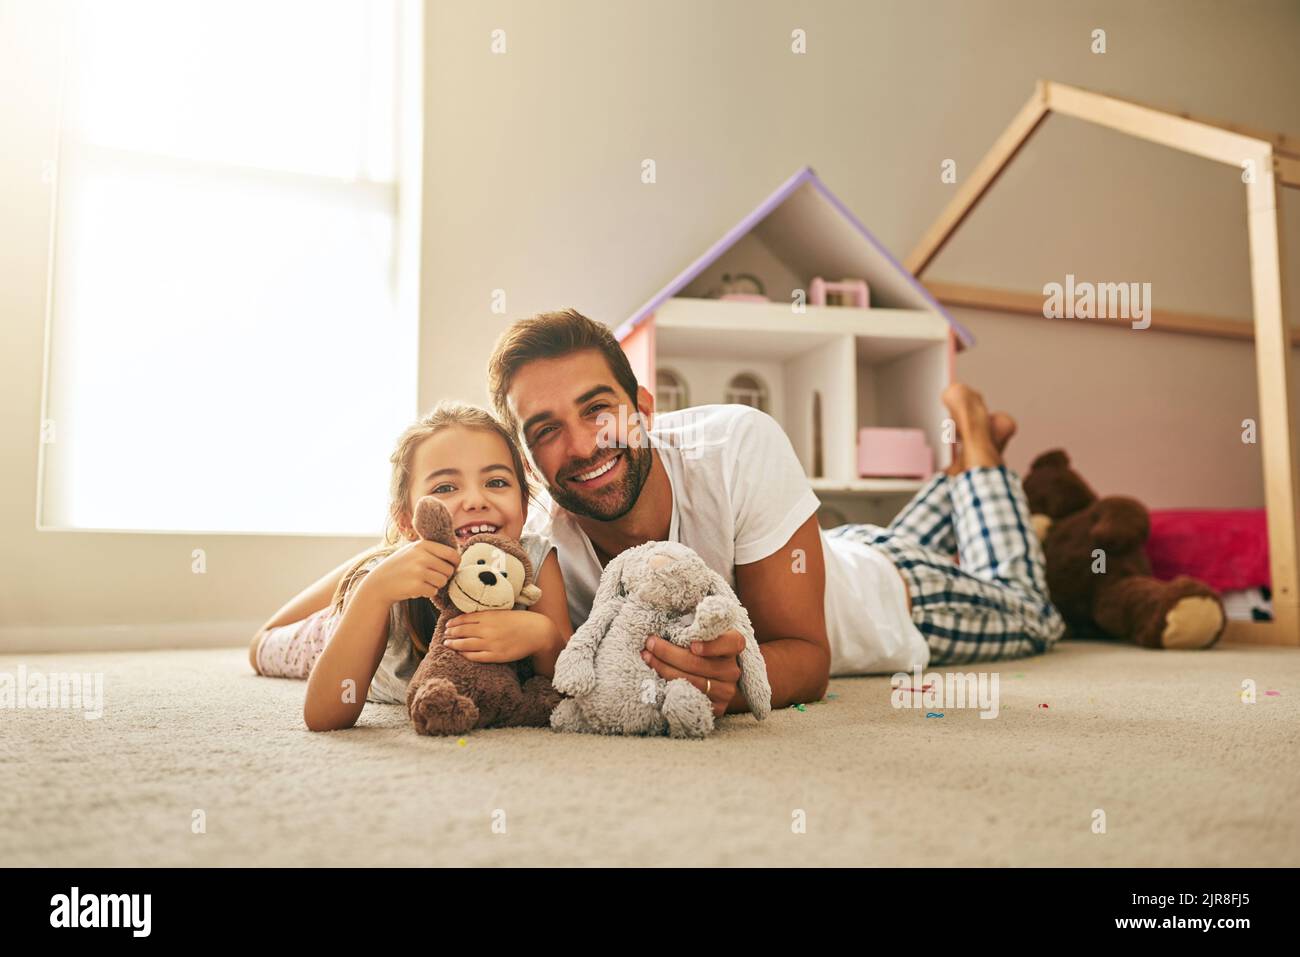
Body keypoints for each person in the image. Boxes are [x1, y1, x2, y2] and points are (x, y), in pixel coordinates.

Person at [485, 309, 1065, 717]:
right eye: (547, 430)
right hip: (822, 549)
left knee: (1035, 613)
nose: (585, 446)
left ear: (642, 408)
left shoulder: (736, 443)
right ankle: (961, 476)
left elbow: (809, 656)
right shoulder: (538, 550)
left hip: (893, 594)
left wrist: (730, 689)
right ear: (529, 462)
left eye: (597, 410)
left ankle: (980, 451)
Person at [249, 401, 574, 732]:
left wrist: (545, 637)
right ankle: (374, 561)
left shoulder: (533, 557)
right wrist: (372, 592)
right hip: (337, 630)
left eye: (496, 482)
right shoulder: (387, 590)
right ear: (406, 519)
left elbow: (568, 683)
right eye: (445, 487)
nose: (476, 500)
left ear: (522, 501)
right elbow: (325, 716)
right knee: (262, 645)